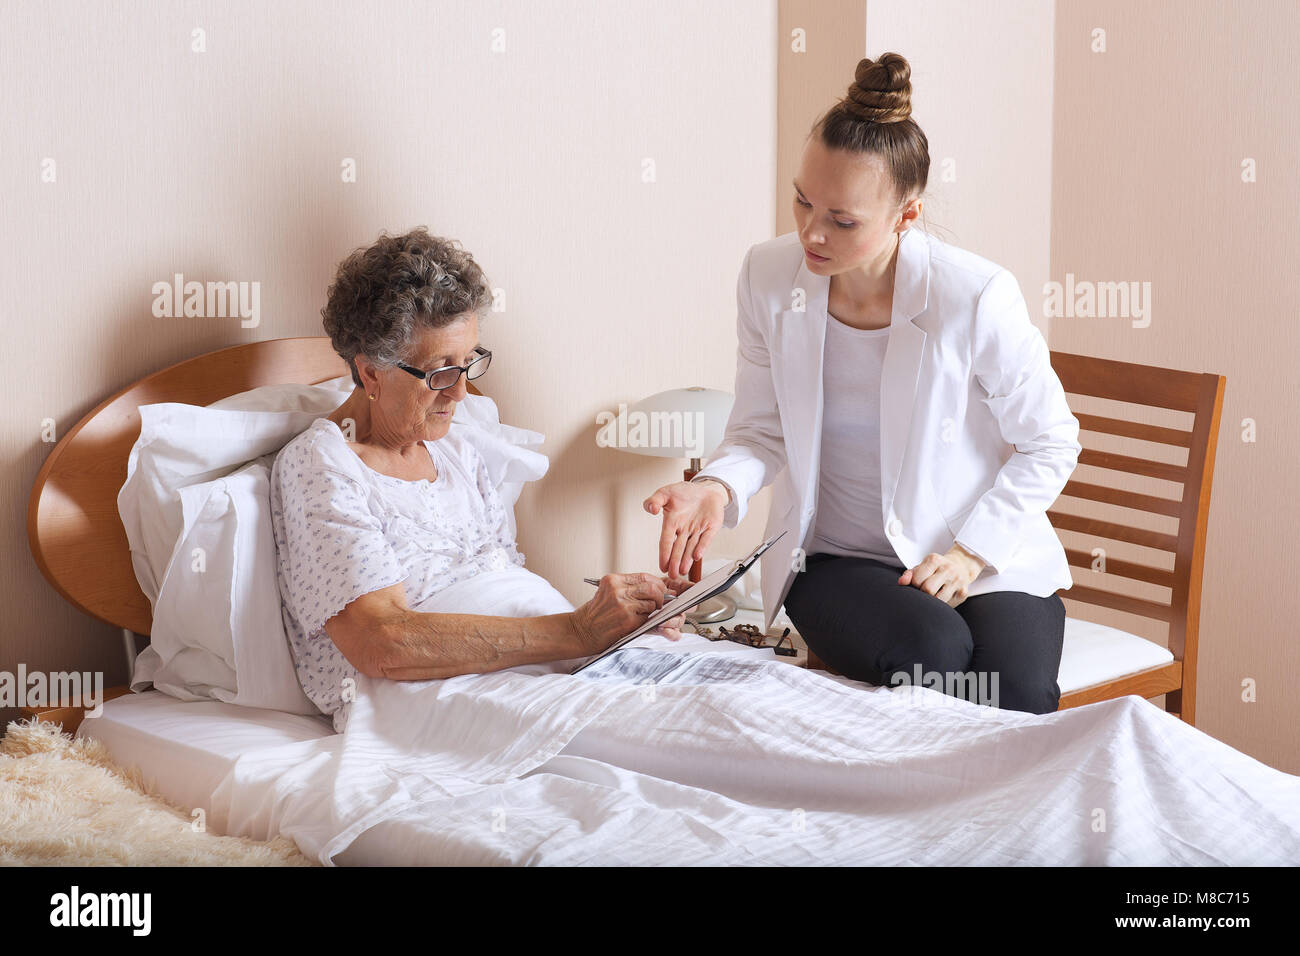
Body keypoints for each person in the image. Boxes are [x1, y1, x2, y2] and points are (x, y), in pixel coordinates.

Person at [643, 53, 1082, 714]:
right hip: (837, 560)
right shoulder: (768, 277)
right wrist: (714, 485)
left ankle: (989, 818)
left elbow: (1049, 442)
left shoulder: (974, 296)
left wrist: (968, 556)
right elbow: (762, 431)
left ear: (907, 215)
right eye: (801, 199)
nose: (811, 232)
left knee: (1014, 692)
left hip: (981, 557)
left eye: (842, 220)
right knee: (935, 655)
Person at [270, 227, 686, 732]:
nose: (462, 393)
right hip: (437, 696)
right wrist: (579, 630)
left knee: (722, 701)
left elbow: (505, 591)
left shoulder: (460, 453)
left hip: (544, 668)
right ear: (372, 373)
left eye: (469, 364)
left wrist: (618, 621)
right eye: (441, 371)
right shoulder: (322, 464)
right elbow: (382, 643)